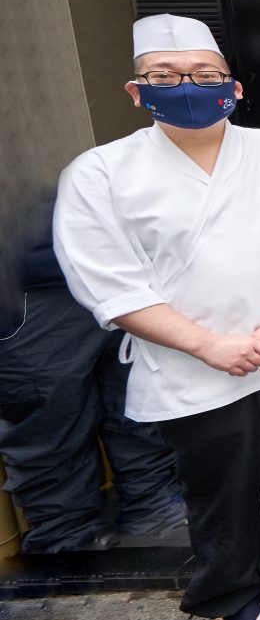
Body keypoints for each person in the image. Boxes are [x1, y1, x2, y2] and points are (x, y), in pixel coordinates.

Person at [53, 14, 260, 620]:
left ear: (234, 88)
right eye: (165, 77)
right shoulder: (102, 174)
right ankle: (234, 597)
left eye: (203, 75)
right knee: (222, 489)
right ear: (137, 91)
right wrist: (207, 345)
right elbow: (110, 283)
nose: (186, 86)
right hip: (196, 370)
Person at [0, 196, 184, 553]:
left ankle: (155, 508)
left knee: (139, 401)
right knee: (48, 427)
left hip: (116, 262)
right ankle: (67, 542)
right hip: (23, 284)